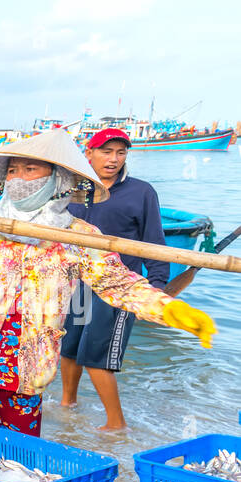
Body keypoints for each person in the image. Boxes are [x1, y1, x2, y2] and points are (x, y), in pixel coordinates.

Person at [0, 129, 214, 436]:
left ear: (57, 179)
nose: (18, 178)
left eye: (30, 169)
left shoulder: (78, 237)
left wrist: (169, 309)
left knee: (18, 457)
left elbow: (119, 284)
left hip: (26, 367)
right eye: (12, 170)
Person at [59, 128, 170, 430]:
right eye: (106, 152)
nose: (114, 159)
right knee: (68, 349)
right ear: (89, 153)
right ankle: (68, 405)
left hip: (119, 288)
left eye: (121, 153)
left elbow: (153, 240)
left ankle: (116, 426)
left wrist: (157, 286)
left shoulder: (141, 192)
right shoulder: (72, 189)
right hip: (76, 283)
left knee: (97, 356)